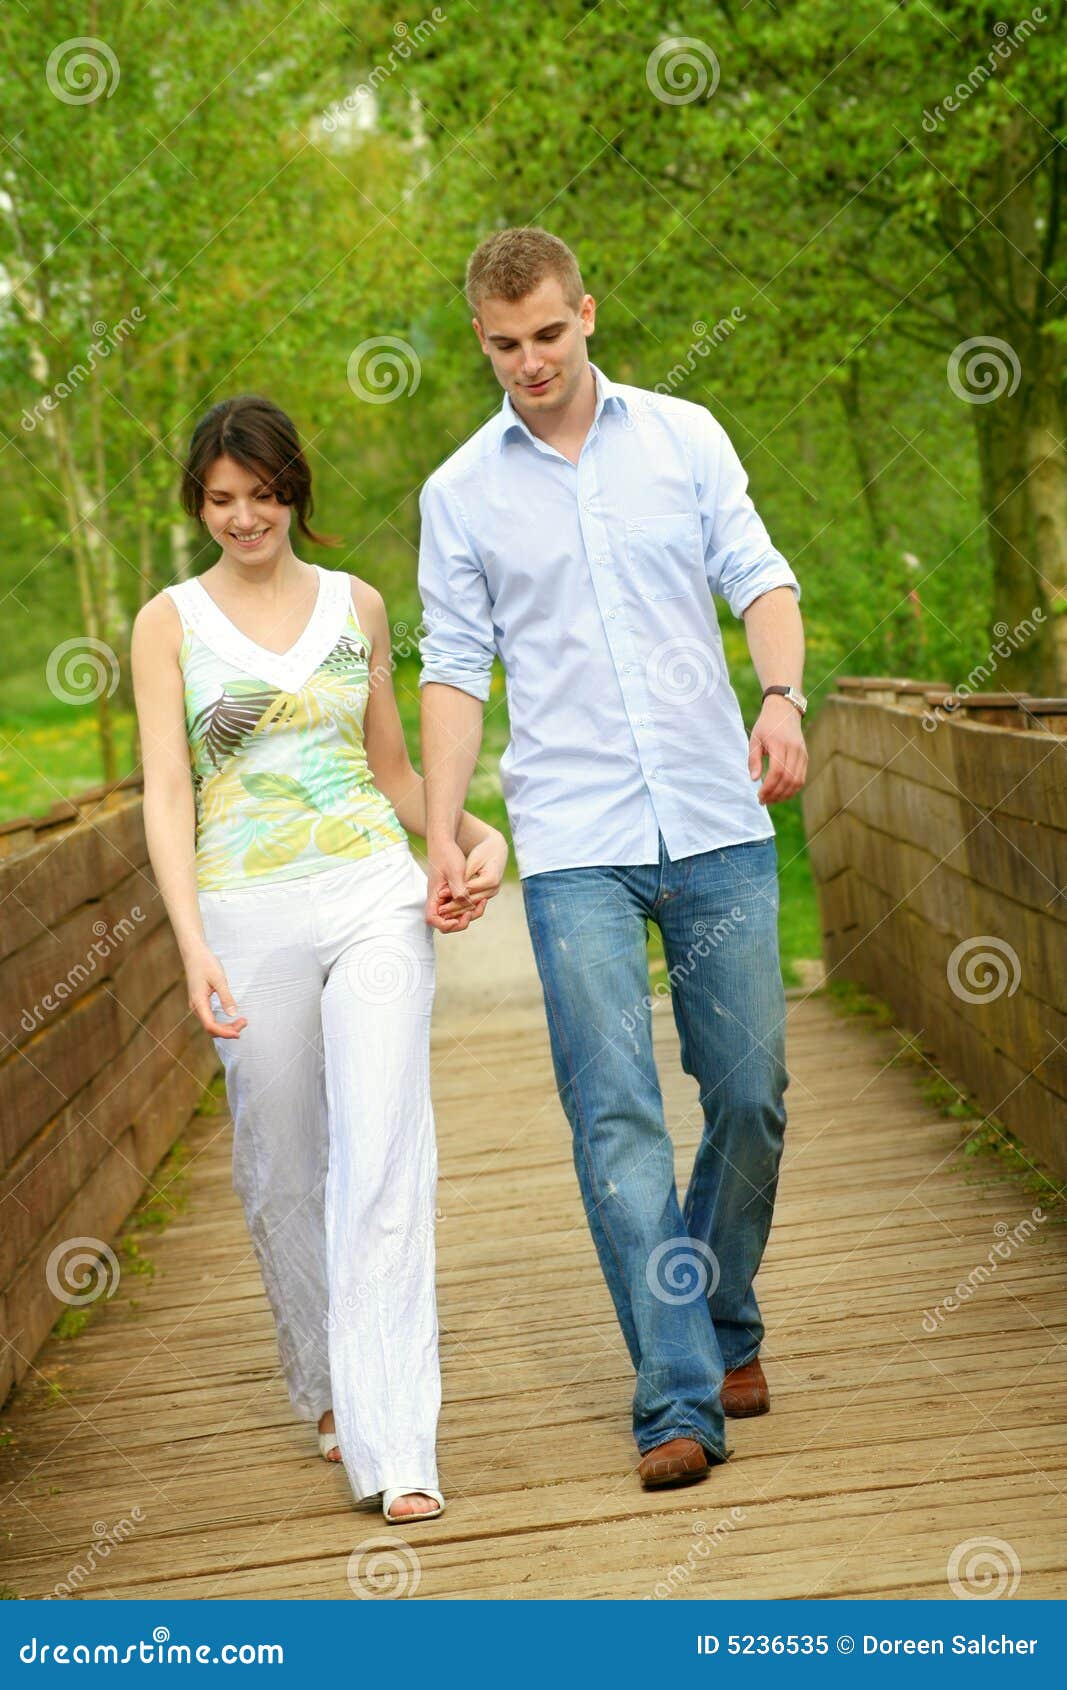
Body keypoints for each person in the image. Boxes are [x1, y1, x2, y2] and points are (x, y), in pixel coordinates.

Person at [417, 228, 807, 1490]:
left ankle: (719, 1312)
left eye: (547, 333)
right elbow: (453, 667)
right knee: (616, 1117)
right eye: (503, 345)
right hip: (574, 839)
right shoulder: (457, 493)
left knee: (747, 1096)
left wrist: (781, 696)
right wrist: (441, 827)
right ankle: (677, 1394)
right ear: (480, 341)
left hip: (713, 816)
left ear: (584, 313)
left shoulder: (683, 437)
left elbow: (759, 577)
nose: (529, 361)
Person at [131, 394, 507, 1522]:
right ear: (200, 505)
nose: (243, 517)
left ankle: (399, 1444)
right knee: (284, 1164)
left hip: (369, 895)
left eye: (261, 494)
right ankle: (326, 1383)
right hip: (244, 910)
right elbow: (167, 793)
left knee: (384, 1152)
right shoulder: (168, 622)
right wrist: (191, 943)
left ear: (293, 490)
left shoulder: (358, 605)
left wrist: (470, 835)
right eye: (220, 500)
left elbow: (390, 770)